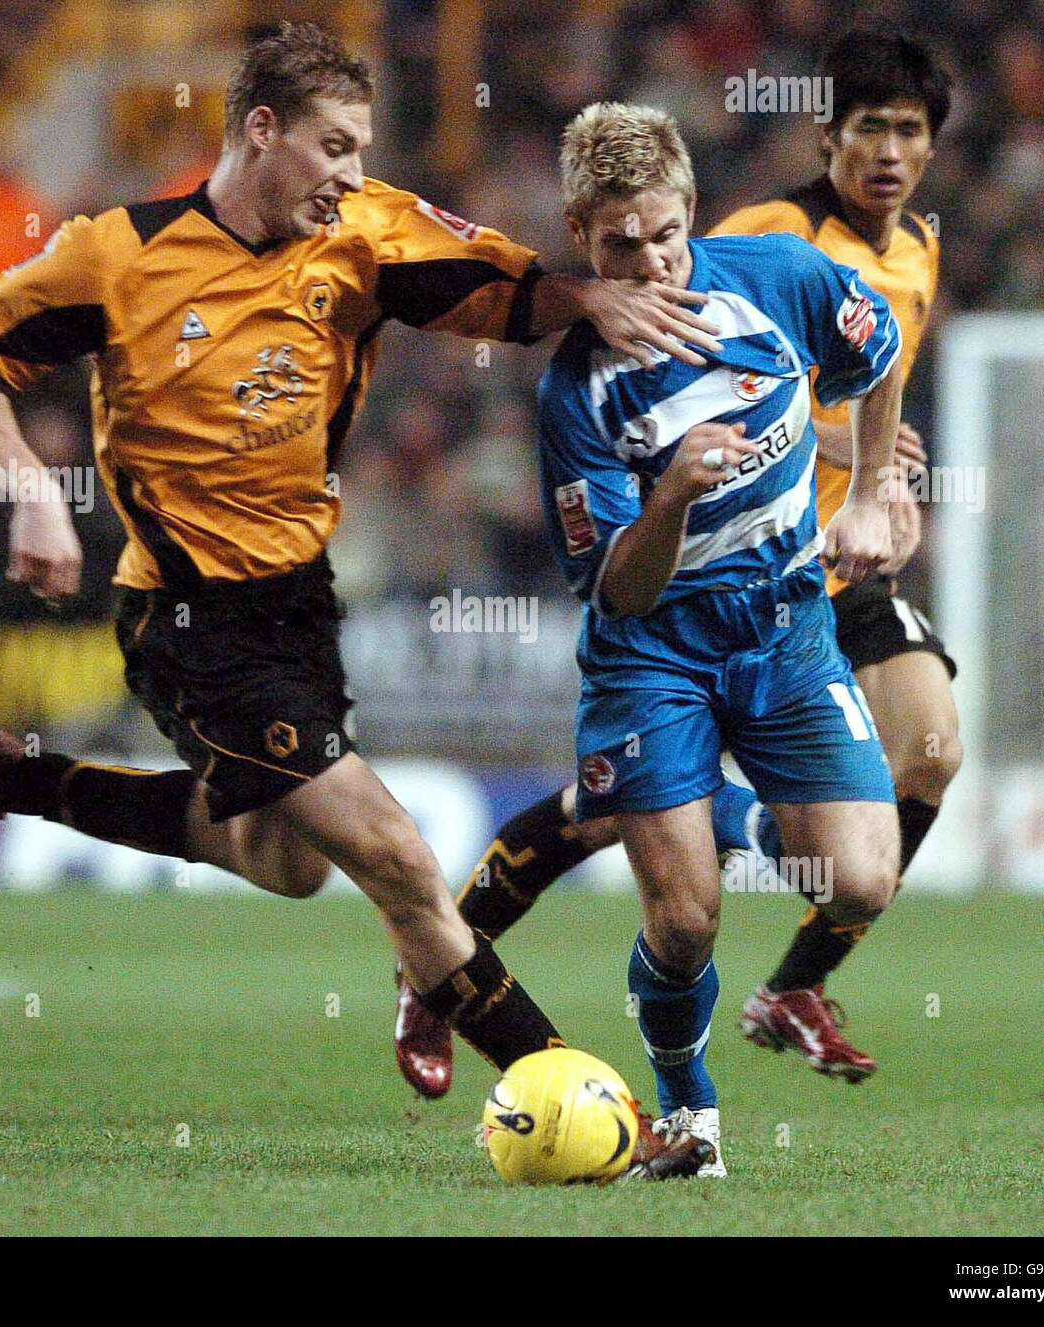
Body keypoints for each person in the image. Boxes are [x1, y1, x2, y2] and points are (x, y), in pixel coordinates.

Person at [0, 22, 724, 1096]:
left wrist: (595, 297)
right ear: (261, 130)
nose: (352, 172)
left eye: (360, 148)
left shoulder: (367, 234)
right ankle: (564, 1085)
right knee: (396, 857)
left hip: (299, 603)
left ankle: (20, 780)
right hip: (190, 615)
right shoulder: (117, 253)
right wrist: (31, 494)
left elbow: (509, 290)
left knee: (286, 864)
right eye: (335, 145)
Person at [396, 29, 957, 1102]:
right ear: (578, 237)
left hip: (793, 607)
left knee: (872, 848)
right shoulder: (583, 386)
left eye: (663, 238)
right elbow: (619, 586)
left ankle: (730, 883)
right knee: (665, 890)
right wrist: (674, 493)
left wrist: (879, 485)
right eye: (619, 249)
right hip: (656, 639)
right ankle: (667, 1095)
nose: (651, 267)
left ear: (689, 210)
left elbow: (874, 352)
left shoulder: (798, 272)